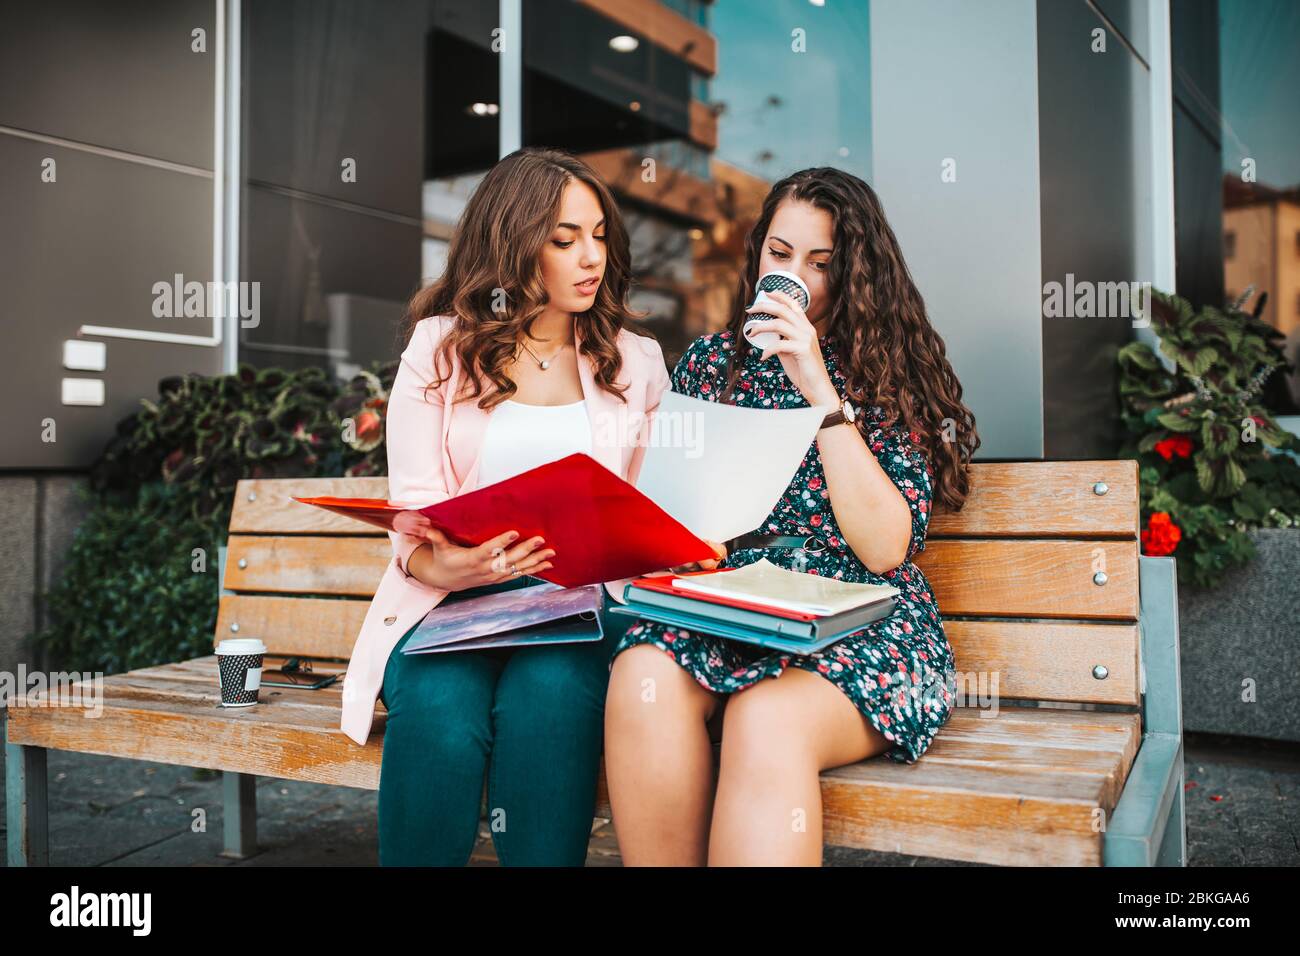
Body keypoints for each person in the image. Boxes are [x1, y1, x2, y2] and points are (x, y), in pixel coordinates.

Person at [338, 146, 718, 866]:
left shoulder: (634, 361)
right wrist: (441, 562)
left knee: (548, 704)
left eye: (600, 236)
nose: (592, 257)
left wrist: (678, 540)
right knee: (442, 717)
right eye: (565, 239)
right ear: (512, 245)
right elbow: (413, 510)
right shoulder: (439, 349)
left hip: (578, 607)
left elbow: (656, 503)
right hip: (450, 604)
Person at [603, 166, 981, 866]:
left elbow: (883, 549)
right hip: (739, 611)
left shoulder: (887, 373)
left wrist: (819, 388)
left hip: (865, 623)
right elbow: (680, 522)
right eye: (780, 254)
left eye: (820, 263)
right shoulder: (713, 365)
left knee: (765, 716)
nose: (793, 276)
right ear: (757, 256)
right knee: (641, 677)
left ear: (856, 272)